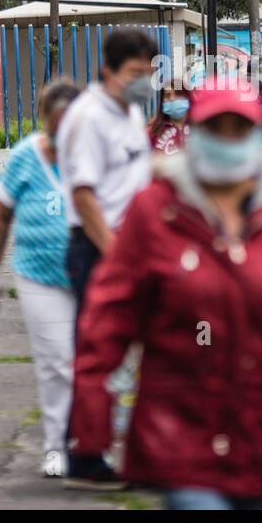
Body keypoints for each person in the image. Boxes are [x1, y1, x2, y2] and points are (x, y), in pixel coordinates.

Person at [68, 79, 262, 509]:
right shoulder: (155, 212)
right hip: (179, 435)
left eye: (240, 129)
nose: (228, 140)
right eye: (215, 129)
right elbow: (106, 322)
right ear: (194, 130)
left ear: (257, 132)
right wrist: (92, 425)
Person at [55, 27, 157, 489]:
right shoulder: (88, 117)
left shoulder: (132, 113)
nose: (144, 81)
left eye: (149, 72)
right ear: (107, 71)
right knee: (97, 357)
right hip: (99, 249)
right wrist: (118, 258)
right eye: (135, 73)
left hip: (134, 248)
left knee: (154, 350)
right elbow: (84, 197)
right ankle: (87, 458)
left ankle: (147, 450)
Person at [0, 80, 82, 479]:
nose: (64, 133)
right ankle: (57, 445)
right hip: (39, 276)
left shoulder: (90, 154)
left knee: (93, 364)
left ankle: (90, 440)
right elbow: (1, 215)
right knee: (56, 363)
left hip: (88, 273)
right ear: (46, 120)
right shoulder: (26, 156)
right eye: (56, 124)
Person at [148, 88, 188, 154]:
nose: (172, 99)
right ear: (162, 102)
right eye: (167, 95)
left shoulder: (199, 128)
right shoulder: (153, 131)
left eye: (178, 94)